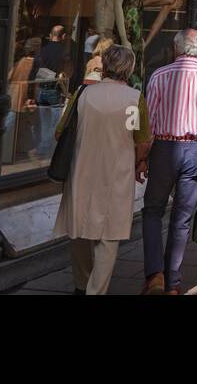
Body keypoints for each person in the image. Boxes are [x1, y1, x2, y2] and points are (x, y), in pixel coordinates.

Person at [53, 45, 151, 294]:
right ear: (128, 69)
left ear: (104, 66)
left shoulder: (83, 93)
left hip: (82, 170)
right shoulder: (134, 99)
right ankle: (96, 290)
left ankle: (81, 283)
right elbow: (142, 141)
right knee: (109, 237)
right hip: (117, 174)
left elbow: (59, 132)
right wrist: (140, 161)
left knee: (79, 231)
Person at [141, 28, 197, 295]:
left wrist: (142, 157)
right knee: (181, 218)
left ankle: (155, 275)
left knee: (153, 211)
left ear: (176, 47)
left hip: (165, 149)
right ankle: (173, 282)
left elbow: (148, 122)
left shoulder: (159, 75)